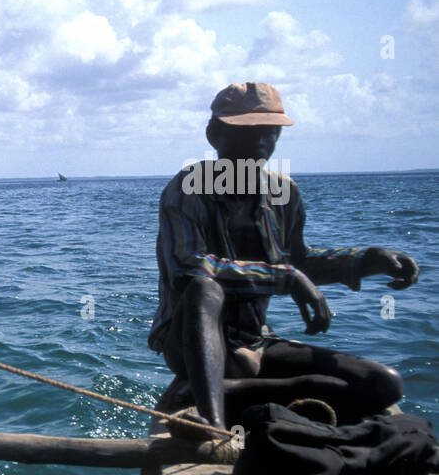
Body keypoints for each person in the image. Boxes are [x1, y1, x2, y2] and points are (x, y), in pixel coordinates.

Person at [148, 82, 419, 436]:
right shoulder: (189, 187)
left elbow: (299, 262)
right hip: (189, 344)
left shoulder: (284, 192)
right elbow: (187, 266)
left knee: (384, 383)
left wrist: (367, 260)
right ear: (214, 134)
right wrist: (286, 278)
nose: (261, 142)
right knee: (204, 288)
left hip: (256, 340)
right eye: (248, 132)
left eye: (270, 132)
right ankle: (213, 422)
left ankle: (235, 392)